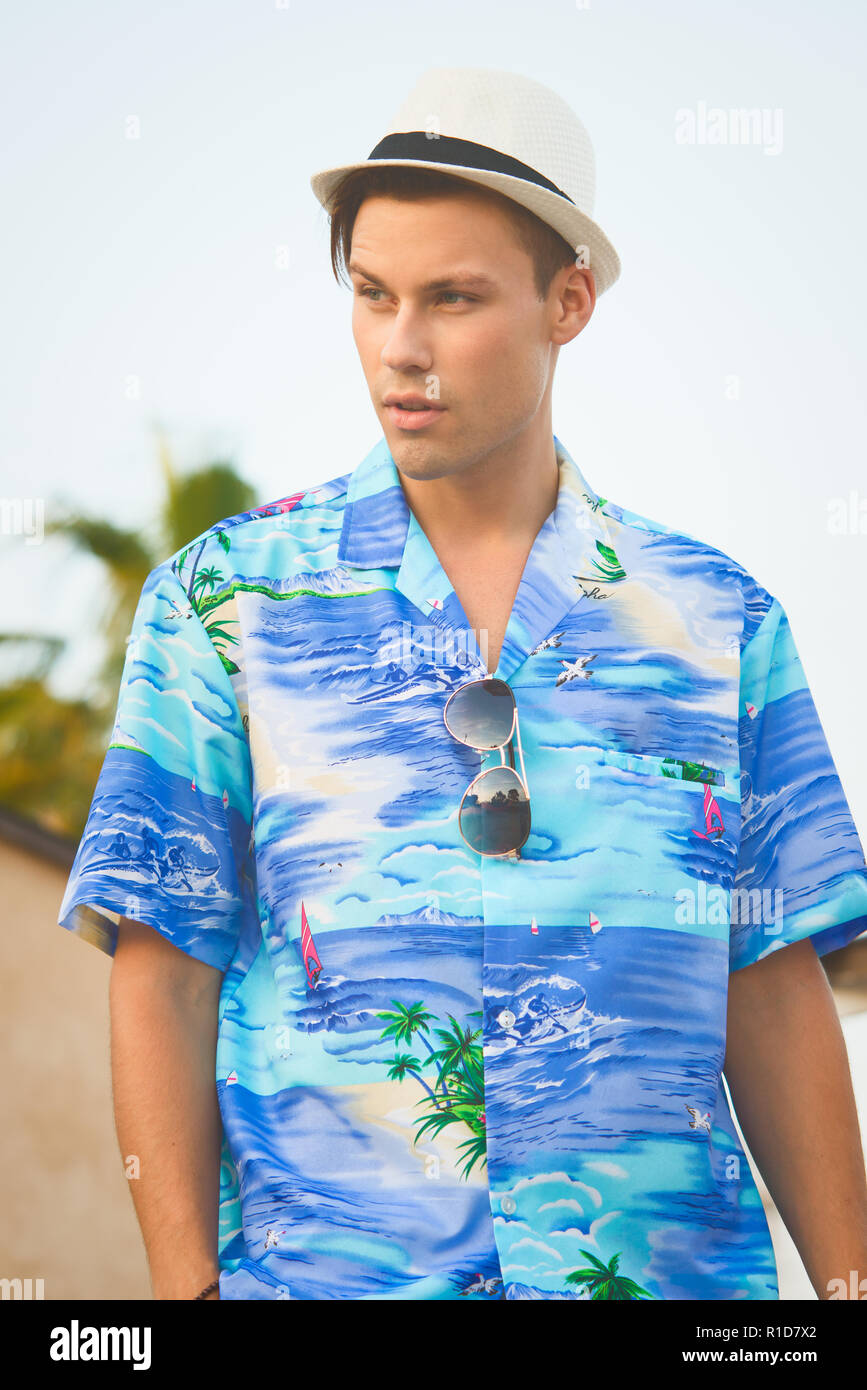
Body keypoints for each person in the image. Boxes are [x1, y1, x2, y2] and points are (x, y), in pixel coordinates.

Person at [58, 66, 867, 1301]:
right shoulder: (224, 606)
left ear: (569, 302)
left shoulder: (720, 620)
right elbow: (164, 966)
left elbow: (770, 978)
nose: (401, 347)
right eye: (373, 294)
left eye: (453, 298)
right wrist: (182, 1292)